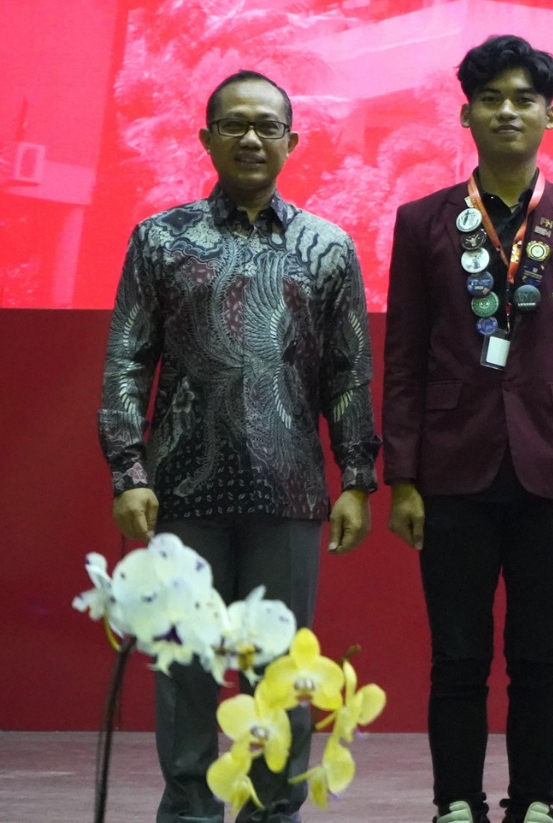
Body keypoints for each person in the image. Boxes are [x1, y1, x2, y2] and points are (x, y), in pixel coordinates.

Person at [99, 70, 380, 823]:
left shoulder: (328, 247)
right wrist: (127, 469)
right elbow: (128, 358)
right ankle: (189, 811)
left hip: (288, 494)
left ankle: (273, 814)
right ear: (207, 138)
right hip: (180, 490)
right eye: (234, 124)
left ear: (291, 140)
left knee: (283, 679)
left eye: (267, 125)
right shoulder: (160, 240)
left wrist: (357, 475)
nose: (251, 138)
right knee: (185, 671)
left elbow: (349, 371)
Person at [383, 35, 553, 823]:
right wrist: (404, 476)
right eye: (492, 99)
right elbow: (405, 357)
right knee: (456, 656)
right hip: (451, 470)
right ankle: (456, 800)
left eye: (524, 99)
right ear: (467, 113)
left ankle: (535, 802)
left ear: (551, 115)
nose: (508, 111)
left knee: (540, 659)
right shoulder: (422, 221)